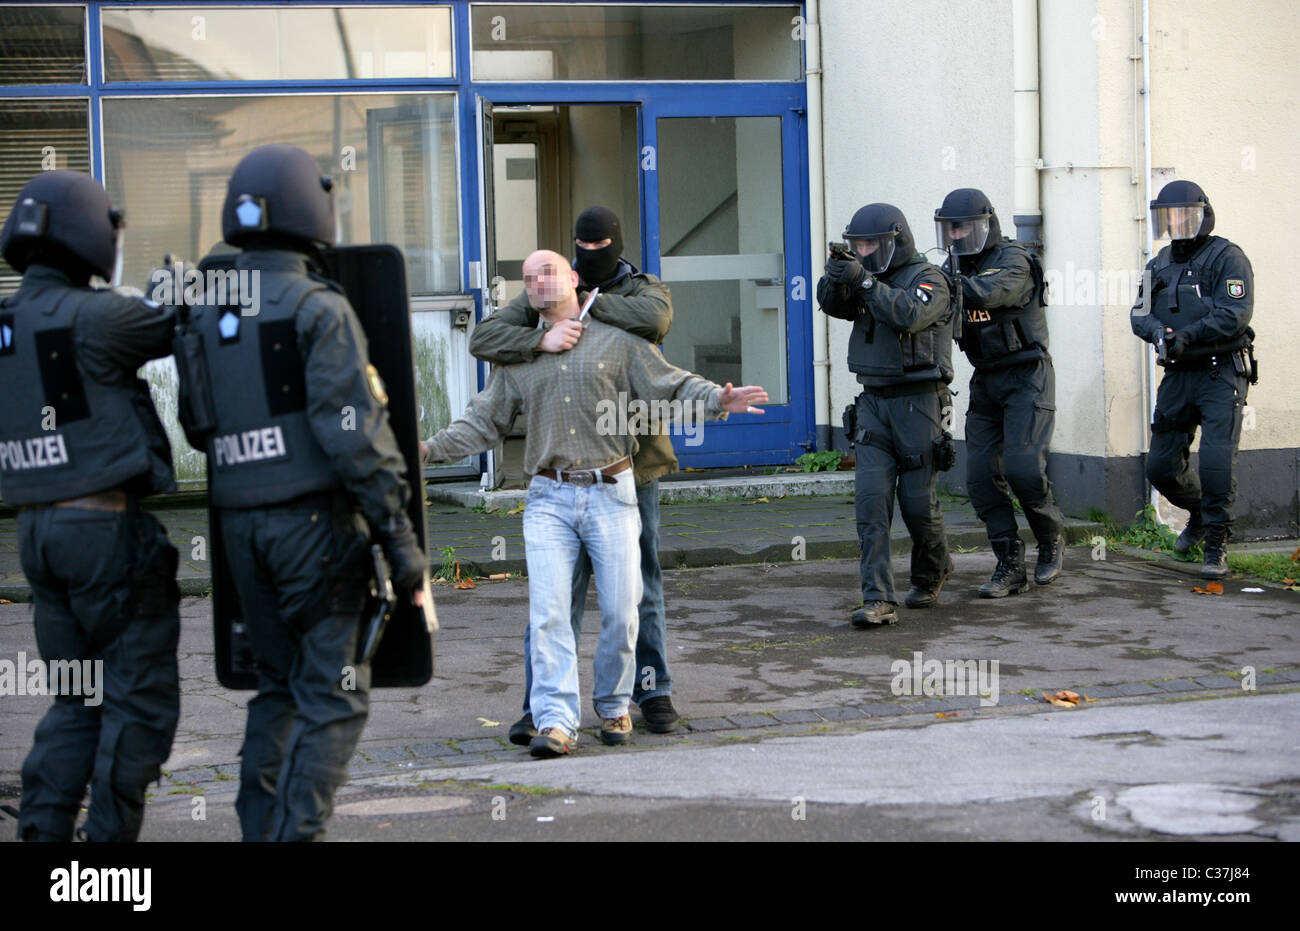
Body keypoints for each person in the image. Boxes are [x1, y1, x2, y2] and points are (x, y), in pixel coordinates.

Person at [425, 249, 766, 757]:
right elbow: (482, 422)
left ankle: (612, 702)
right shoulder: (520, 355)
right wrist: (428, 450)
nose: (539, 281)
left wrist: (717, 399)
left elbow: (669, 385)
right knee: (549, 614)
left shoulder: (617, 342)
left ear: (574, 278)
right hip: (548, 499)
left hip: (613, 494)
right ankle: (557, 721)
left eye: (549, 271)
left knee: (624, 613)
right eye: (529, 276)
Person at [181, 144, 426, 841]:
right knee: (334, 696)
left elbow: (198, 426)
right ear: (310, 206)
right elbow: (354, 433)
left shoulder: (206, 311)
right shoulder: (320, 306)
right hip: (315, 531)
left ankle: (263, 832)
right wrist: (400, 541)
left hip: (239, 530)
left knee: (277, 689)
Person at [0, 171, 180, 841]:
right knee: (137, 706)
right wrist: (176, 285)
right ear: (86, 234)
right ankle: (104, 862)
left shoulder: (9, 323)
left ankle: (44, 839)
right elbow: (170, 324)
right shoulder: (97, 315)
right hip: (105, 532)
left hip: (37, 537)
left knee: (77, 702)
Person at [468, 206, 683, 741]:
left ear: (617, 244)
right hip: (559, 474)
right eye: (581, 249)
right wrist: (538, 339)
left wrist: (582, 305)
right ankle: (536, 706)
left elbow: (655, 323)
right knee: (553, 598)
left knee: (637, 592)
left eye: (600, 246)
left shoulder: (642, 289)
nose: (590, 255)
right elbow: (485, 338)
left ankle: (651, 692)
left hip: (633, 463)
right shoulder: (545, 291)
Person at [819, 204, 956, 627]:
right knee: (871, 503)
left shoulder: (930, 279)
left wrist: (862, 282)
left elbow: (909, 315)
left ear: (895, 241)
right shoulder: (865, 279)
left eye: (871, 245)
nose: (864, 252)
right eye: (858, 246)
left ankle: (933, 568)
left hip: (921, 402)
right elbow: (831, 303)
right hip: (873, 403)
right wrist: (836, 277)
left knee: (917, 505)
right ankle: (877, 598)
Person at [935, 188, 1064, 597]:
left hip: (1027, 374)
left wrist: (943, 288)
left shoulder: (1014, 260)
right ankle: (1009, 562)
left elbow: (992, 293)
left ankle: (1050, 538)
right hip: (986, 378)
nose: (957, 236)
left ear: (986, 225)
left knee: (1024, 468)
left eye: (965, 227)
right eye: (950, 228)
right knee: (979, 480)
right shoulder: (951, 268)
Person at [1130, 180, 1255, 579]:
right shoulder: (1159, 263)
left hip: (1221, 371)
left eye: (1184, 215)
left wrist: (1188, 334)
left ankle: (1216, 542)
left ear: (1202, 215)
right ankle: (1199, 514)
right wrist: (1158, 333)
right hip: (1179, 372)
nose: (1177, 223)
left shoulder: (1227, 257)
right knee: (1160, 466)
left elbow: (1234, 313)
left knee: (1216, 462)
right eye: (1169, 217)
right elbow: (1138, 313)